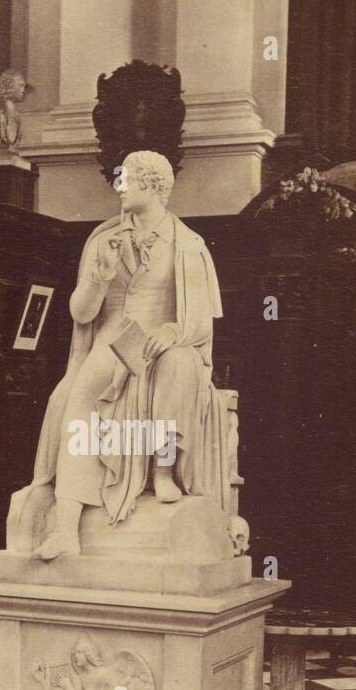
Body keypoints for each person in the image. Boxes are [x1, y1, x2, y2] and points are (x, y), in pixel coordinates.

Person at [28, 150, 231, 559]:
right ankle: (66, 526)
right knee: (79, 400)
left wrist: (175, 330)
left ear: (154, 186)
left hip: (165, 346)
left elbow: (204, 322)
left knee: (177, 365)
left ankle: (163, 468)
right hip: (110, 345)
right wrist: (100, 278)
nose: (119, 188)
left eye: (127, 180)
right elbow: (81, 314)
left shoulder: (188, 245)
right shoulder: (103, 241)